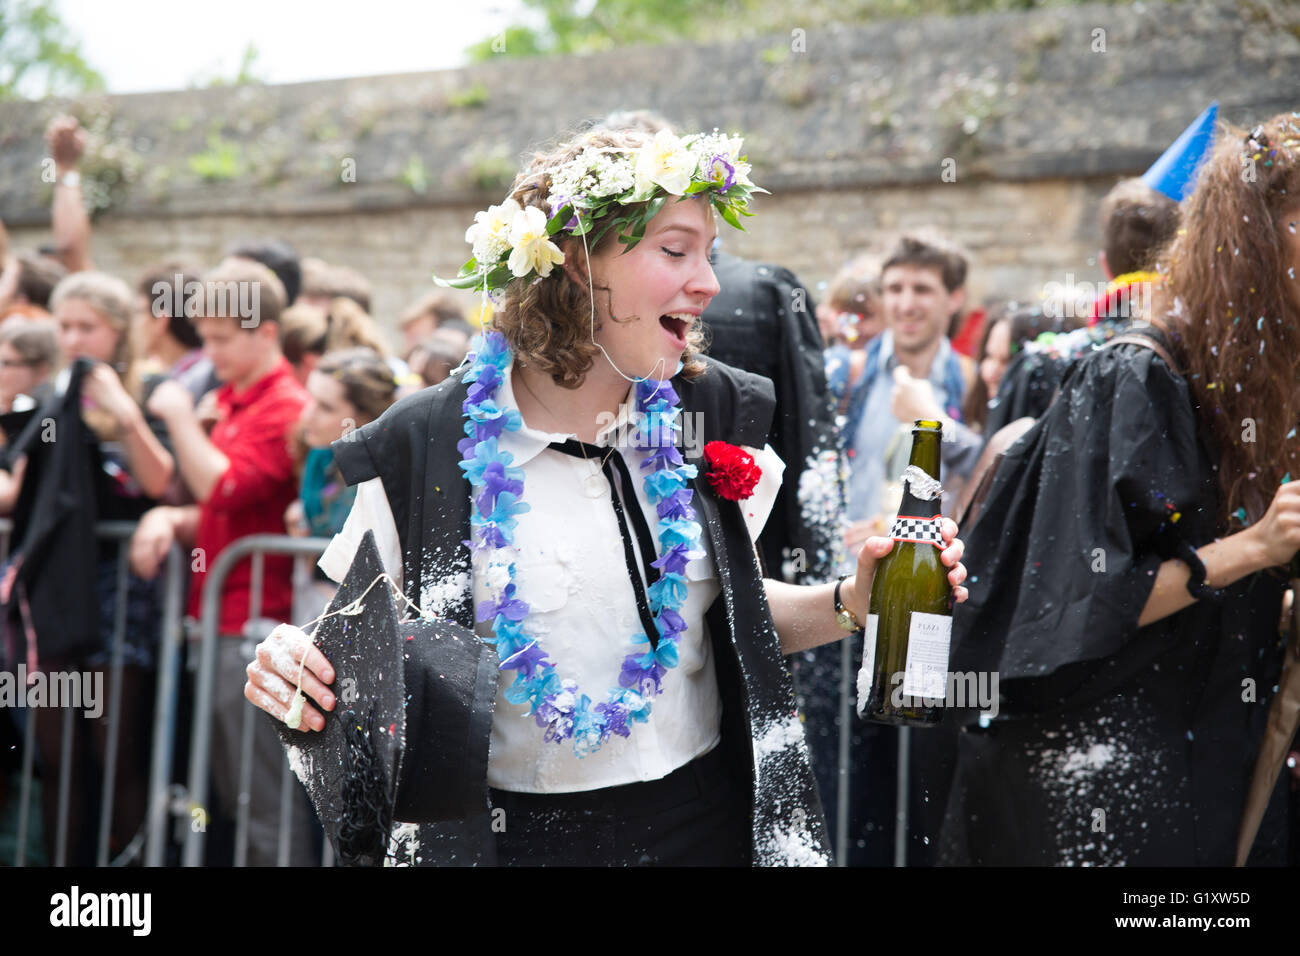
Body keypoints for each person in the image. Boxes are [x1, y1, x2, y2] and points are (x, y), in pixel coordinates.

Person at [243, 125, 969, 866]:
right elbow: (346, 650)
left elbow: (734, 614)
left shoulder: (712, 415)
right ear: (578, 261)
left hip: (700, 827)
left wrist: (854, 599)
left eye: (709, 254)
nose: (710, 283)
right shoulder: (420, 444)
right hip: (504, 841)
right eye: (676, 250)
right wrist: (292, 663)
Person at [942, 112, 1300, 866]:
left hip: (1206, 752)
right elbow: (1079, 606)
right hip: (1098, 776)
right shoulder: (1137, 376)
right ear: (1257, 245)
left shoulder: (1254, 388)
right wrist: (1254, 547)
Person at [131, 258, 314, 865]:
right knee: (229, 795)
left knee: (266, 797)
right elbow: (219, 516)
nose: (208, 354)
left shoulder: (284, 405)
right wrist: (168, 519)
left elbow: (225, 488)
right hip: (221, 621)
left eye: (220, 340)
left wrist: (179, 417)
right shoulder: (231, 400)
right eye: (203, 338)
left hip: (258, 626)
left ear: (266, 332)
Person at [0, 271, 174, 864]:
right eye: (64, 325)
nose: (73, 338)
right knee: (58, 756)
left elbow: (159, 482)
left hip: (121, 599)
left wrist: (124, 414)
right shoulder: (52, 402)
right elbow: (21, 492)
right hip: (57, 595)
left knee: (115, 752)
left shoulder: (149, 393)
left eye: (87, 327)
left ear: (118, 332)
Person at [285, 347, 398, 623]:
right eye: (310, 399)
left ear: (360, 418)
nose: (307, 415)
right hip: (318, 604)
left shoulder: (381, 476)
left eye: (325, 407)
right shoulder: (318, 454)